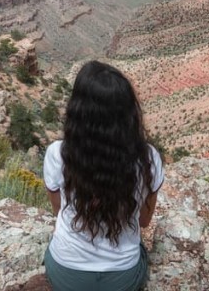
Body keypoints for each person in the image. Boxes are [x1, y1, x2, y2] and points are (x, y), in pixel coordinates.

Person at [43, 60, 164, 291]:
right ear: (129, 113)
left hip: (66, 274)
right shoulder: (149, 159)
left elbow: (58, 212)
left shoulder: (57, 154)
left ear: (77, 110)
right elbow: (144, 221)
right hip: (123, 277)